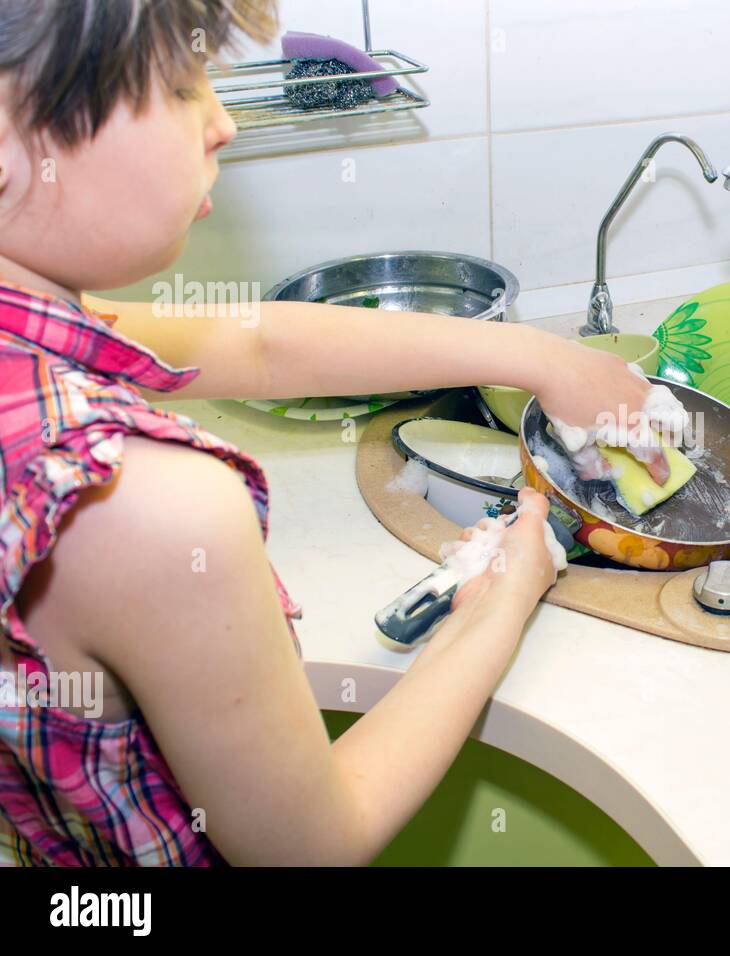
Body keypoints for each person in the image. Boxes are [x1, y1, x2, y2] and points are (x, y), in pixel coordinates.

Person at [0, 0, 668, 865]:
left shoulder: (28, 340)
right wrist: (498, 602)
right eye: (176, 83)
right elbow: (315, 846)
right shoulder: (136, 505)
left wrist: (544, 360)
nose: (223, 123)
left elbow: (264, 345)